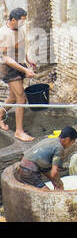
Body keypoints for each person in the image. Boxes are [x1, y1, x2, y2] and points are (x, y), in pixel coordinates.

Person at [0, 8, 35, 141]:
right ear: (13, 20)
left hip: (18, 65)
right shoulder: (3, 34)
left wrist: (28, 59)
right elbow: (7, 59)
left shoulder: (19, 30)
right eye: (21, 21)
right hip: (8, 68)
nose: (23, 24)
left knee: (13, 97)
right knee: (21, 98)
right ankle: (19, 131)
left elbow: (20, 47)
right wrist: (25, 70)